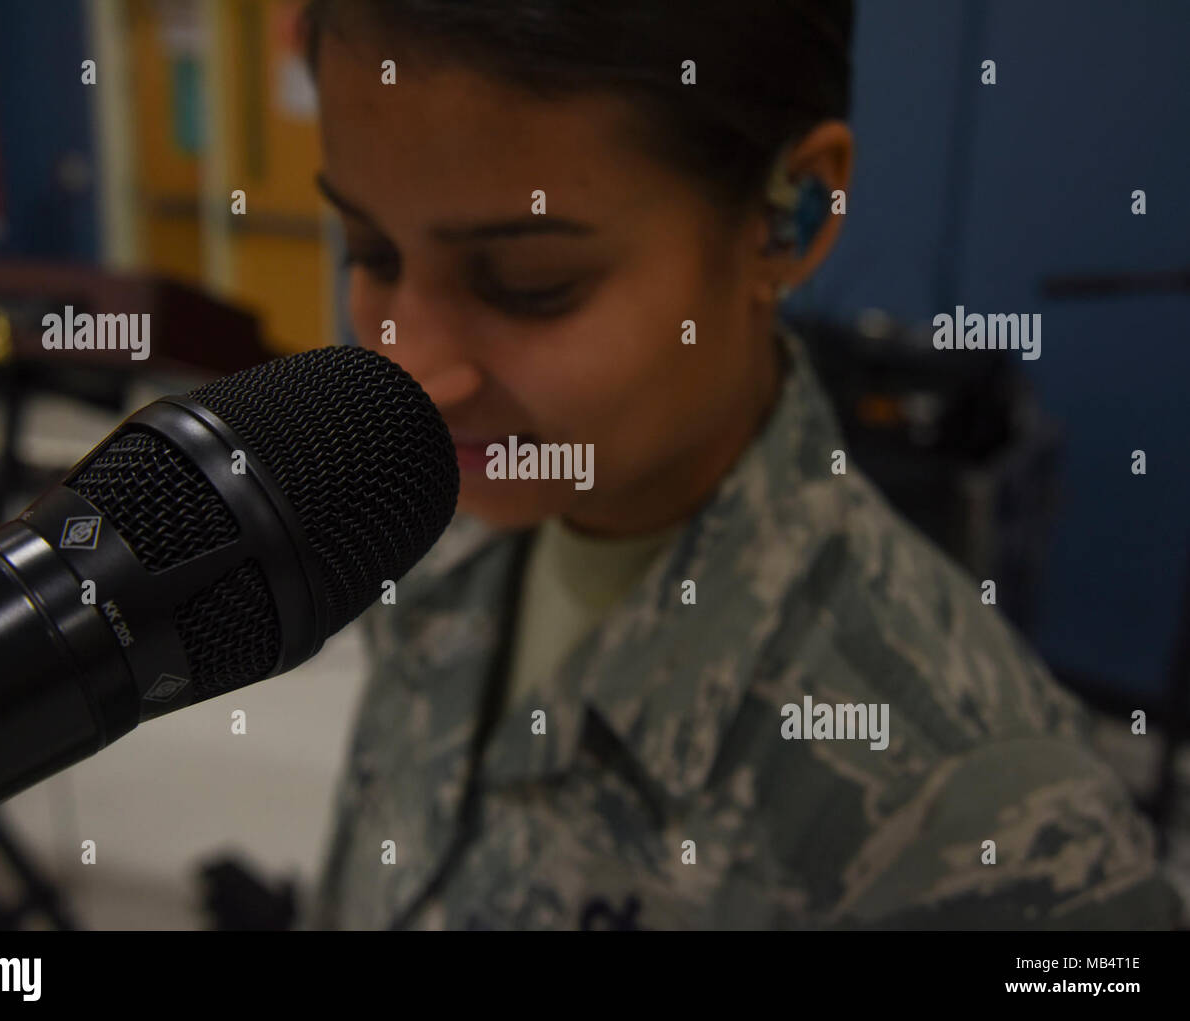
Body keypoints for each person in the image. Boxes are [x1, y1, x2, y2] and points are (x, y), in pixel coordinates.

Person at [299, 0, 1181, 929]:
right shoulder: (431, 532)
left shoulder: (987, 830)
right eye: (371, 252)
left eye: (531, 286)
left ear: (786, 217)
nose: (413, 368)